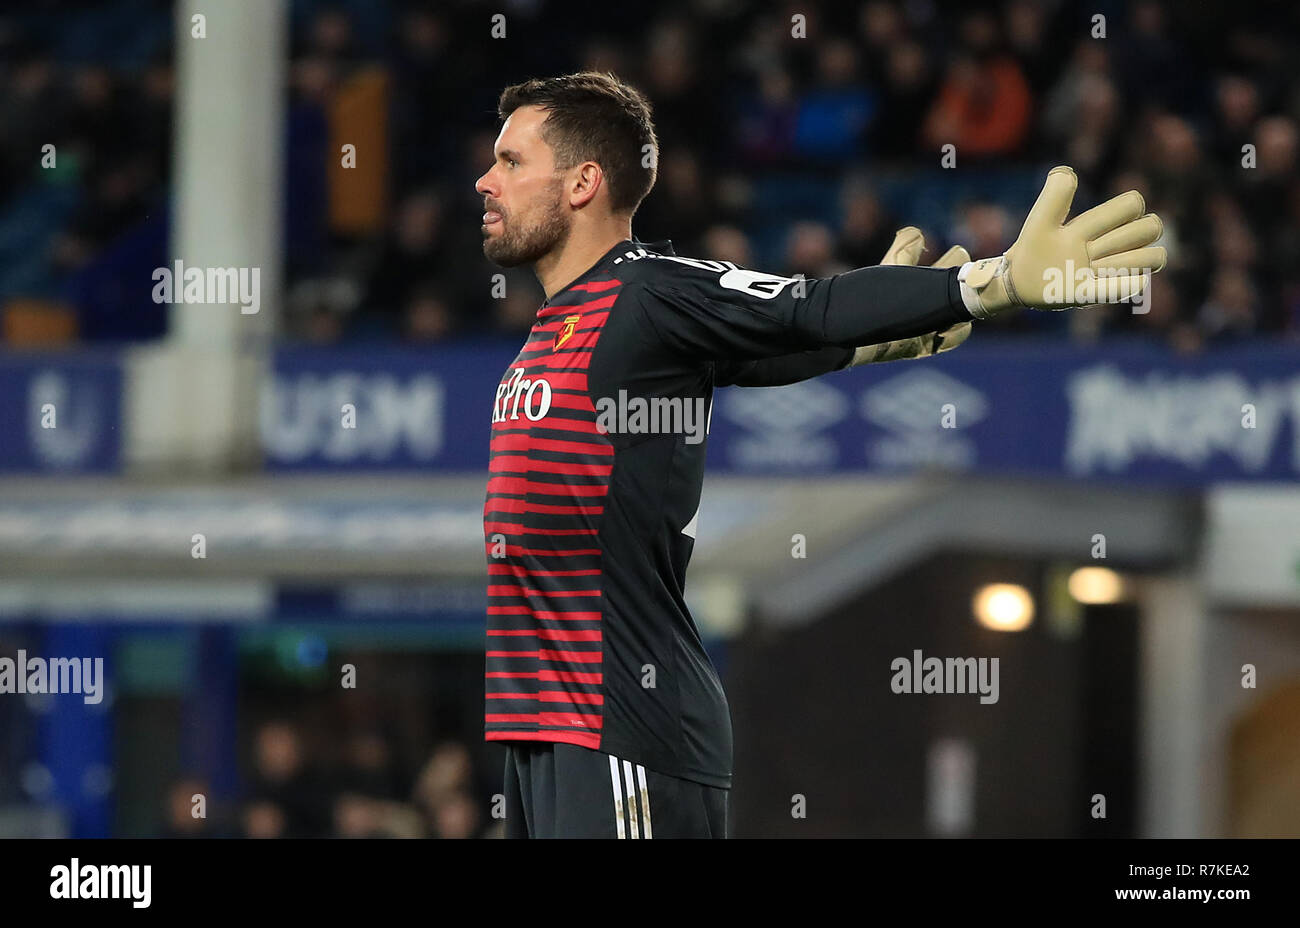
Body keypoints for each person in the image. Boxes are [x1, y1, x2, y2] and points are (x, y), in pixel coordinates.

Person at [473, 71, 1164, 838]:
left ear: (583, 183)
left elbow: (804, 309)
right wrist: (868, 343)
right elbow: (771, 350)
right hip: (539, 726)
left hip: (622, 725)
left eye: (510, 161)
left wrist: (989, 282)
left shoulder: (647, 291)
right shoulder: (568, 327)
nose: (485, 180)